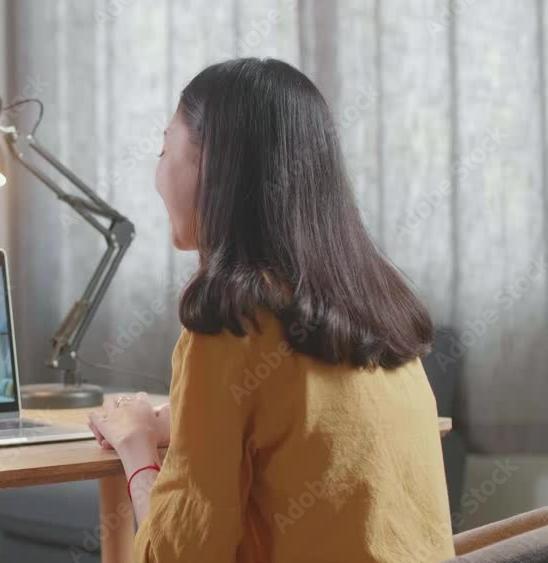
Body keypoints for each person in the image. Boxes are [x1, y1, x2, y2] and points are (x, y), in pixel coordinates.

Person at [87, 59, 454, 562]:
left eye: (163, 147)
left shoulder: (231, 319)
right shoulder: (379, 307)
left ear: (211, 165)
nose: (156, 175)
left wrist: (134, 446)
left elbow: (177, 557)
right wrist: (185, 418)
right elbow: (305, 423)